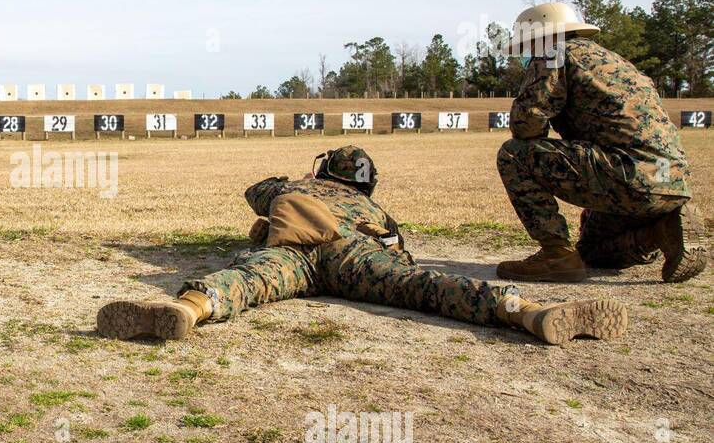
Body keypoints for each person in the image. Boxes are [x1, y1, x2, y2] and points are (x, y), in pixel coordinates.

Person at [96, 146, 628, 346]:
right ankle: (530, 313)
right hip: (358, 254)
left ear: (326, 171)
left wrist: (296, 181)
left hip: (299, 248)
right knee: (426, 288)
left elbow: (255, 193)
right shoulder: (376, 210)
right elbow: (405, 257)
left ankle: (187, 310)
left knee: (248, 277)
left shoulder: (297, 187)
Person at [495, 2, 706, 283]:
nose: (526, 55)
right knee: (591, 251)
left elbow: (526, 126)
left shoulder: (552, 54)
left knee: (514, 154)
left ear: (539, 38)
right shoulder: (615, 61)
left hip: (626, 174)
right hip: (670, 181)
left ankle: (555, 254)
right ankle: (661, 230)